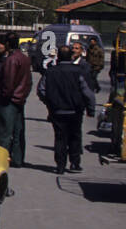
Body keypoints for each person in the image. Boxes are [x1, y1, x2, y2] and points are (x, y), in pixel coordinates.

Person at [38, 45, 96, 174]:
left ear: (58, 56)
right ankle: (75, 163)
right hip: (75, 110)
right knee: (74, 137)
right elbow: (87, 92)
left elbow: (41, 90)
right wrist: (90, 109)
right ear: (71, 56)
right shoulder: (78, 71)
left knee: (60, 138)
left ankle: (60, 165)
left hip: (57, 111)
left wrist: (49, 103)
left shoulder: (51, 71)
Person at [0, 32, 33, 167]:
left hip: (8, 101)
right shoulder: (23, 58)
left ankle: (3, 158)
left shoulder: (11, 60)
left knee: (5, 133)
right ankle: (18, 158)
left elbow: (8, 84)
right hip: (18, 100)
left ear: (7, 44)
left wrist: (3, 97)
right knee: (18, 131)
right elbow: (28, 82)